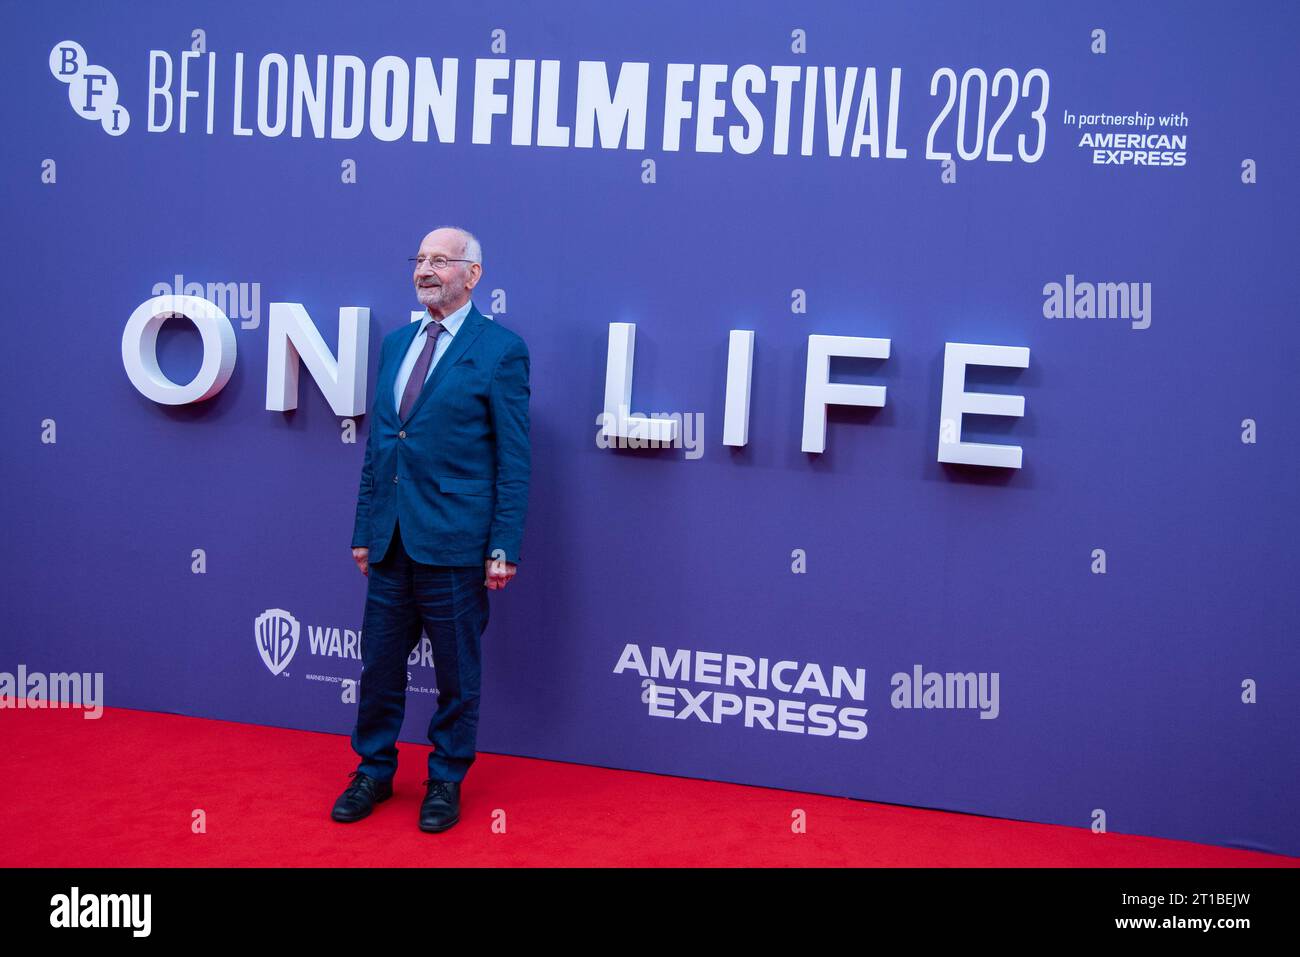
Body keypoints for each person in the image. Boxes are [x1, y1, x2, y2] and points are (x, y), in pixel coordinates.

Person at [331, 225, 530, 833]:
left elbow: (514, 460)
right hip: (391, 539)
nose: (425, 270)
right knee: (379, 665)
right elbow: (381, 446)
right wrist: (365, 527)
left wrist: (503, 544)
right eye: (419, 259)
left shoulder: (501, 350)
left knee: (456, 673)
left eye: (441, 261)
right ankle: (373, 769)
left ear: (473, 275)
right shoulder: (395, 343)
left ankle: (445, 779)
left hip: (456, 542)